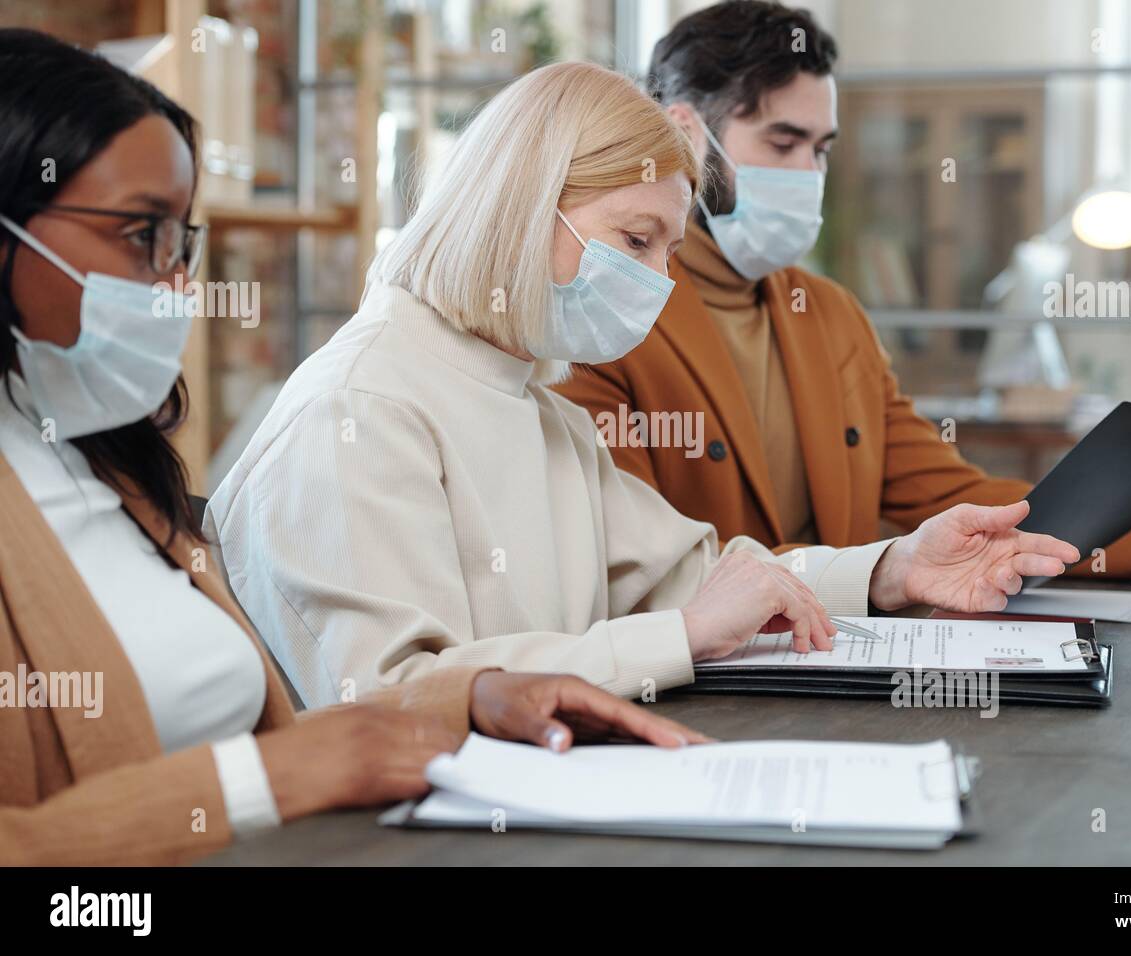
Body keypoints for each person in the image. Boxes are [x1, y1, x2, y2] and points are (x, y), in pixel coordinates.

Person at [0, 29, 706, 867]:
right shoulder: (358, 402)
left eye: (182, 242)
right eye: (137, 233)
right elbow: (290, 747)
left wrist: (475, 695)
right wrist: (268, 779)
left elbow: (296, 730)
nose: (181, 284)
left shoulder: (108, 469)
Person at [208, 60, 1080, 710]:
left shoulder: (532, 402)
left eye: (671, 250)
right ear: (521, 207)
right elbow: (387, 697)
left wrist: (893, 567)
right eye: (635, 241)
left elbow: (697, 574)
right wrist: (681, 639)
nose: (661, 285)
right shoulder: (359, 407)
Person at [553, 0, 1131, 576]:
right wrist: (887, 570)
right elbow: (647, 562)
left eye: (822, 149)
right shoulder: (607, 311)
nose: (809, 173)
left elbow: (956, 501)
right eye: (783, 143)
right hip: (703, 678)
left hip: (841, 666)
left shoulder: (830, 315)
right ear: (687, 135)